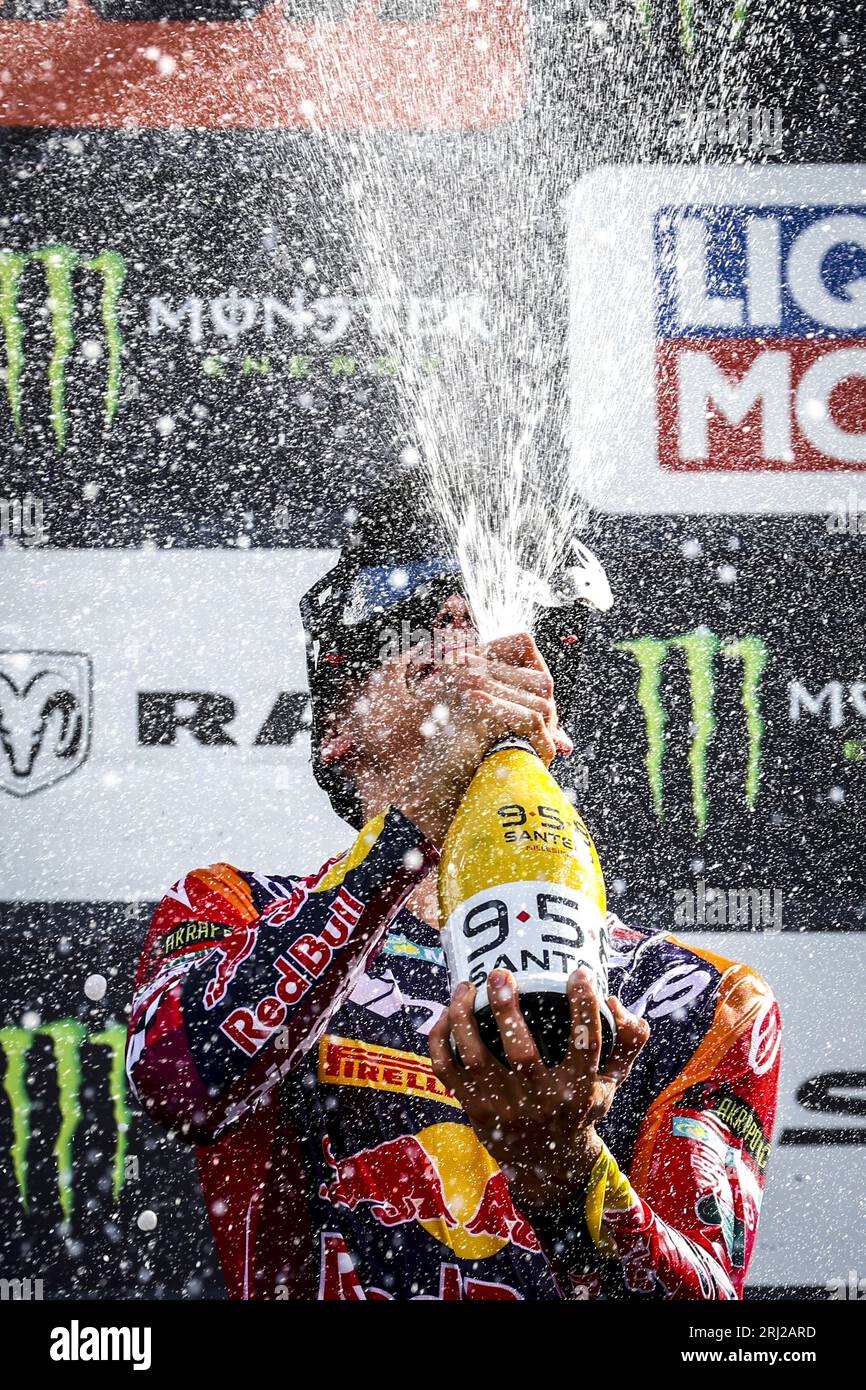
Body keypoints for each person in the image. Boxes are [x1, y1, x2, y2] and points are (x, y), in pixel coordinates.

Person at [126, 491, 781, 1301]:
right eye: (405, 621)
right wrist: (415, 826)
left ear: (548, 718)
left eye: (483, 617)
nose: (457, 620)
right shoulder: (234, 913)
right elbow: (175, 1081)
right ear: (339, 730)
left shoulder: (700, 1000)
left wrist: (564, 1168)